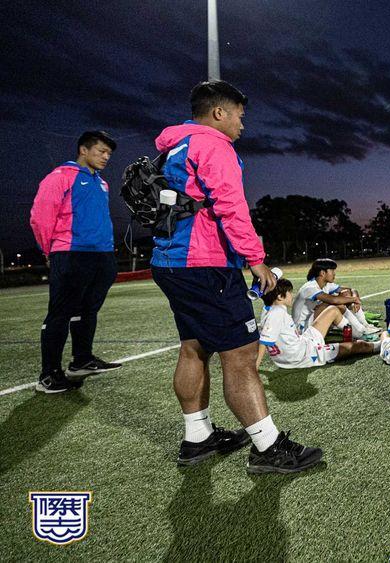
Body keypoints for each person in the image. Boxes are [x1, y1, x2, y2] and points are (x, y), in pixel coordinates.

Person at [151, 80, 321, 473]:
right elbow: (231, 207)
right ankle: (268, 448)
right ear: (218, 113)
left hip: (170, 261)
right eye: (239, 116)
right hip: (205, 263)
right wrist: (256, 259)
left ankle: (198, 438)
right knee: (241, 355)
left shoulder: (173, 146)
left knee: (194, 346)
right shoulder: (212, 145)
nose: (243, 125)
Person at [30, 130, 121, 393]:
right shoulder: (60, 177)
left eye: (109, 153)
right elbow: (40, 216)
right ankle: (48, 375)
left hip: (102, 255)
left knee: (88, 309)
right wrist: (50, 250)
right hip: (71, 253)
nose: (106, 157)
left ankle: (82, 360)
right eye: (101, 151)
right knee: (60, 312)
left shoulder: (101, 183)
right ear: (84, 150)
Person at [256, 278, 375, 370]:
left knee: (333, 310)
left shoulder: (268, 309)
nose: (291, 295)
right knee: (358, 346)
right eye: (289, 292)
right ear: (280, 296)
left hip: (299, 346)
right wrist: (255, 367)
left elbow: (266, 336)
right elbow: (265, 341)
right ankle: (381, 344)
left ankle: (354, 331)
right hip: (303, 355)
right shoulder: (277, 313)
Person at [291, 258, 378, 339]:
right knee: (331, 304)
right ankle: (359, 331)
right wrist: (354, 300)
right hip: (302, 329)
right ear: (322, 273)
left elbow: (350, 290)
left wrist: (354, 296)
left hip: (314, 322)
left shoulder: (326, 285)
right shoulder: (309, 287)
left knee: (345, 295)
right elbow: (333, 300)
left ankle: (364, 325)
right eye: (332, 270)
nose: (334, 273)